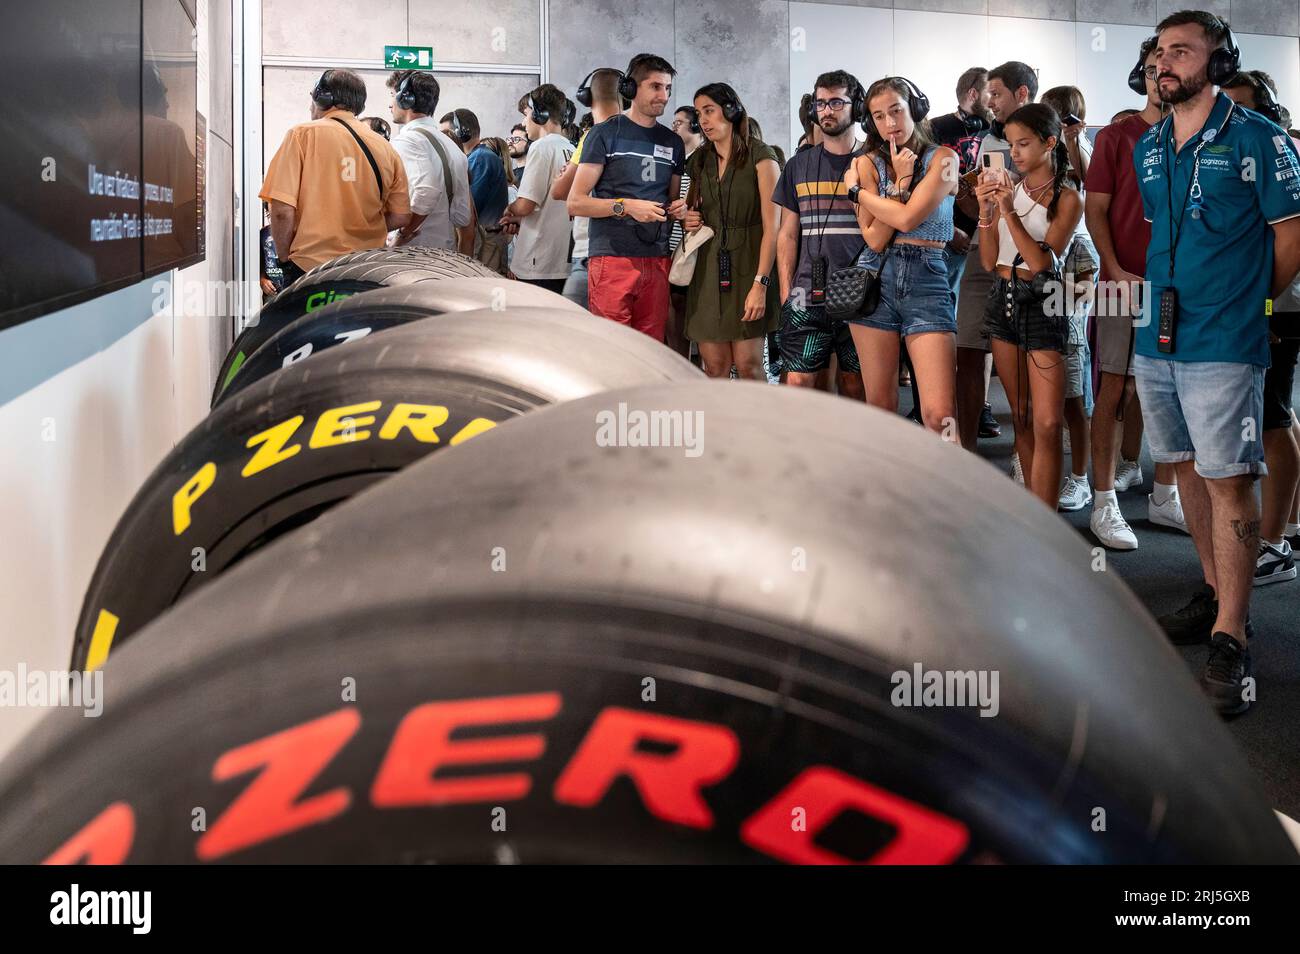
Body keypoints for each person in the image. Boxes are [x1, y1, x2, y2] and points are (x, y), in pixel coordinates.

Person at [1134, 12, 1300, 714]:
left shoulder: (1260, 139)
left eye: (1181, 51)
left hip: (1225, 339)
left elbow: (1290, 240)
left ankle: (1233, 632)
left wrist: (1247, 303)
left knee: (1230, 478)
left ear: (1219, 60)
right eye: (1158, 52)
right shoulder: (1149, 146)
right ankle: (1211, 589)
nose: (1164, 62)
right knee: (1187, 469)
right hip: (1155, 335)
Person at [1085, 37, 1185, 549]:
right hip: (1120, 283)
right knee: (1113, 390)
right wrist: (1114, 269)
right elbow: (1095, 210)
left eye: (1170, 65)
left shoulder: (1200, 136)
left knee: (1168, 392)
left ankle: (1165, 496)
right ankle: (1104, 502)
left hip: (1179, 287)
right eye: (1150, 68)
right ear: (1140, 75)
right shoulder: (1117, 137)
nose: (1159, 76)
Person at [975, 103, 1083, 508]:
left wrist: (1006, 210)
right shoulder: (1012, 191)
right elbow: (989, 261)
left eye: (1024, 143)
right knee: (1019, 416)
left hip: (1043, 304)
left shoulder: (1068, 198)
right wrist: (987, 212)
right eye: (1011, 144)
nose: (1015, 153)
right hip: (1001, 299)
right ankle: (1034, 516)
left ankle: (1049, 522)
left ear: (1050, 143)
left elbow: (1042, 265)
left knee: (1049, 422)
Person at [841, 77, 958, 435]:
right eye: (878, 116)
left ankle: (948, 490)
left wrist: (859, 194)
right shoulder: (866, 163)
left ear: (916, 109)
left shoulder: (945, 159)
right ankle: (886, 490)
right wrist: (900, 185)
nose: (890, 123)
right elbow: (875, 239)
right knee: (880, 407)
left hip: (928, 277)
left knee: (940, 415)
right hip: (876, 277)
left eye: (896, 111)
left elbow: (907, 219)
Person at [1219, 70, 1300, 586]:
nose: (1231, 117)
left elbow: (1287, 242)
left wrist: (1261, 305)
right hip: (1265, 302)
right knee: (1281, 416)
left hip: (1277, 304)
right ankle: (1286, 526)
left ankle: (1272, 544)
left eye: (1241, 107)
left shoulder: (1278, 154)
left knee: (1271, 420)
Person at [568, 54, 687, 340]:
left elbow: (669, 205)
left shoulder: (673, 142)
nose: (664, 96)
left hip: (657, 260)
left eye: (668, 88)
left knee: (651, 352)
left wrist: (680, 210)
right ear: (631, 88)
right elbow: (575, 201)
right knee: (614, 351)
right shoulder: (604, 134)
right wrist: (626, 207)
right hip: (612, 259)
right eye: (656, 87)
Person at [954, 61, 1038, 454]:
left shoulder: (1046, 135)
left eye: (997, 93)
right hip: (980, 253)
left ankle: (1027, 458)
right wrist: (965, 194)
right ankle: (965, 451)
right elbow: (978, 211)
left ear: (1022, 94)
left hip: (1025, 260)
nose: (989, 101)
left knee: (1025, 364)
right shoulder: (988, 139)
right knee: (968, 350)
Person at [260, 69, 410, 284]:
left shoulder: (301, 136)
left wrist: (284, 259)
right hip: (368, 268)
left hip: (311, 268)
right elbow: (401, 216)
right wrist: (359, 228)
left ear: (323, 97)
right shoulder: (386, 149)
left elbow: (282, 209)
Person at [770, 70, 868, 401]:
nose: (827, 110)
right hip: (805, 293)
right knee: (797, 387)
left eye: (836, 102)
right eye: (821, 103)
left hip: (863, 294)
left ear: (857, 106)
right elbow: (787, 235)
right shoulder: (798, 165)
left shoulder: (873, 162)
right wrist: (786, 292)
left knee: (856, 388)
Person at [679, 83, 781, 378]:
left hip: (750, 266)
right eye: (699, 114)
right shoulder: (698, 161)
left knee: (749, 364)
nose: (704, 121)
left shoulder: (762, 158)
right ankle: (718, 426)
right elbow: (690, 210)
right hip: (708, 268)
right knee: (714, 367)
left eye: (709, 111)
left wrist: (760, 284)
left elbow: (772, 229)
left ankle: (756, 426)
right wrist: (689, 219)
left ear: (731, 110)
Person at [927, 66, 998, 437]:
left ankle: (981, 405)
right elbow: (922, 184)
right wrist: (947, 228)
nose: (995, 101)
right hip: (945, 241)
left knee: (977, 329)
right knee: (943, 324)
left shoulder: (997, 131)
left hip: (987, 240)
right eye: (991, 92)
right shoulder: (937, 128)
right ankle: (940, 405)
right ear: (973, 93)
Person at [1041, 85, 1098, 512]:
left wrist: (1074, 142)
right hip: (1030, 288)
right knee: (1039, 396)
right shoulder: (1027, 171)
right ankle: (1034, 467)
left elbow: (1093, 191)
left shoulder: (1083, 159)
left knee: (1074, 395)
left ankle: (1080, 477)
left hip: (1070, 278)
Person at [553, 68, 625, 309]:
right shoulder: (637, 135)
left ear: (586, 97)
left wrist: (564, 175)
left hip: (590, 251)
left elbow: (559, 191)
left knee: (572, 334)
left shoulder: (594, 135)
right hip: (627, 251)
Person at [386, 70, 474, 255]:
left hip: (412, 254)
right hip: (445, 252)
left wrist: (403, 234)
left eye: (393, 96)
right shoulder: (453, 147)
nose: (390, 104)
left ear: (406, 99)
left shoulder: (407, 141)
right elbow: (462, 216)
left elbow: (426, 191)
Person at [500, 84, 576, 292]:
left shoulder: (542, 147)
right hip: (563, 259)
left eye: (526, 114)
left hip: (538, 262)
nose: (524, 122)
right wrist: (519, 221)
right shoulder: (572, 149)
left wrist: (510, 210)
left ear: (540, 114)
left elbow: (525, 205)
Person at [441, 108, 510, 274]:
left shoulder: (480, 158)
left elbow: (466, 208)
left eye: (445, 133)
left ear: (461, 133)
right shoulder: (479, 156)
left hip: (487, 243)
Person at [667, 104, 706, 356]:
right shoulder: (679, 161)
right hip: (673, 245)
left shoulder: (701, 161)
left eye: (679, 122)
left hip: (693, 245)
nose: (674, 127)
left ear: (695, 127)